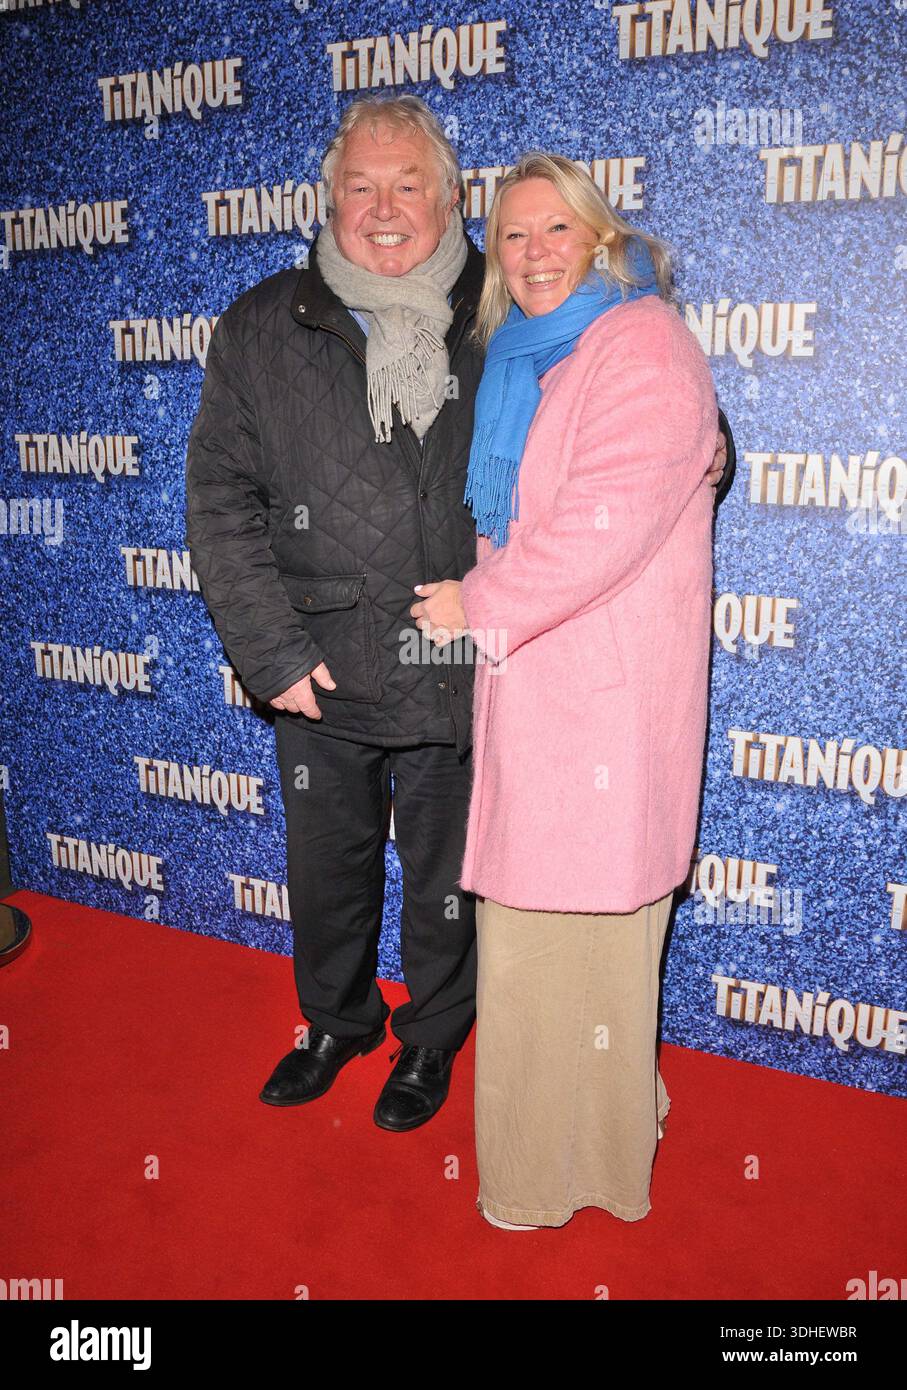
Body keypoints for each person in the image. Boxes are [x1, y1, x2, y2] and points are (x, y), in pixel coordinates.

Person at [185, 97, 734, 1136]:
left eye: (409, 187)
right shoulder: (266, 322)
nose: (384, 209)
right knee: (327, 870)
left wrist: (715, 448)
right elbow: (218, 497)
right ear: (329, 199)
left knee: (449, 877)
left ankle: (431, 1038)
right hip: (324, 661)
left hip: (466, 657)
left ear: (450, 203)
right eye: (361, 187)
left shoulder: (507, 303)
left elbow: (631, 398)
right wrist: (269, 650)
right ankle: (334, 1022)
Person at [411, 152, 719, 1227]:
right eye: (514, 235)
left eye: (556, 229)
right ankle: (604, 1122)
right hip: (552, 697)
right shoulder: (531, 357)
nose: (533, 252)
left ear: (597, 236)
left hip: (601, 709)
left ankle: (558, 1176)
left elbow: (604, 524)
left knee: (560, 949)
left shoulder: (640, 344)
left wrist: (474, 605)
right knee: (554, 946)